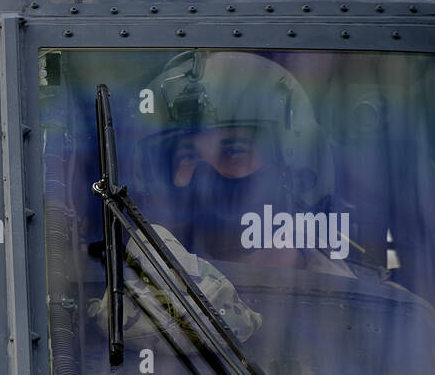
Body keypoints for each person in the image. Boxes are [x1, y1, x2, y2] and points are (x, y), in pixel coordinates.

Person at [130, 49, 355, 276]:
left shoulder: (354, 303)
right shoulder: (135, 302)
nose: (205, 178)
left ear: (290, 167)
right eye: (188, 157)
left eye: (234, 152)